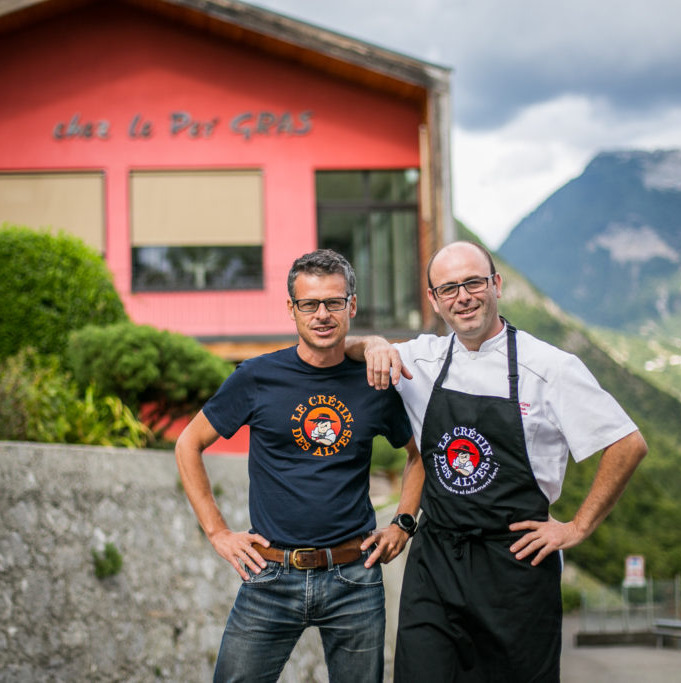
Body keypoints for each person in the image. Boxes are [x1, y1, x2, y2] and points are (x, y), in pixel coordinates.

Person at [347, 241, 648, 682]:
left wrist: (577, 526)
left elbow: (626, 443)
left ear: (496, 285)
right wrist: (374, 344)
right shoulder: (421, 360)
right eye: (448, 288)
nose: (462, 297)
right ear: (433, 299)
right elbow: (346, 348)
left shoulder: (549, 367)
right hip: (437, 562)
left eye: (473, 282)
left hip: (516, 568)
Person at [175, 248, 424, 683]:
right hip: (270, 575)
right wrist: (217, 532)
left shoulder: (374, 381)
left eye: (333, 302)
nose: (322, 314)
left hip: (354, 576)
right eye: (309, 304)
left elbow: (418, 454)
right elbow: (188, 443)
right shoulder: (256, 377)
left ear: (352, 305)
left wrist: (403, 523)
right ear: (291, 309)